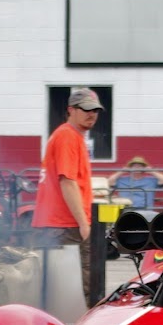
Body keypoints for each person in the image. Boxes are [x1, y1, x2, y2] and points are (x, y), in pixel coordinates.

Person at [32, 87, 102, 305]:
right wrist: (83, 222)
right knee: (80, 287)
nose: (92, 114)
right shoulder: (68, 136)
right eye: (86, 109)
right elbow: (67, 181)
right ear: (71, 110)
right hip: (64, 224)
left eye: (95, 110)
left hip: (58, 224)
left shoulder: (70, 135)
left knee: (61, 288)